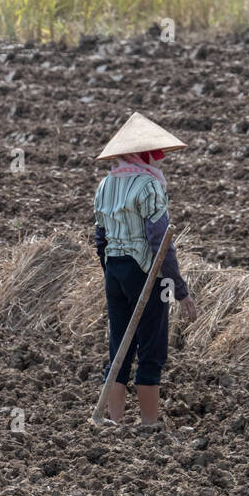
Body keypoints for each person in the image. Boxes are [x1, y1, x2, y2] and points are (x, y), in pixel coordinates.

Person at [92, 112, 198, 427]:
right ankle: (150, 422)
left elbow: (100, 237)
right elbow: (160, 241)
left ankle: (114, 419)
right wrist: (179, 289)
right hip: (145, 274)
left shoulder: (105, 185)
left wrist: (111, 272)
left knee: (119, 344)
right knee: (152, 344)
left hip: (115, 271)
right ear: (145, 155)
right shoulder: (149, 186)